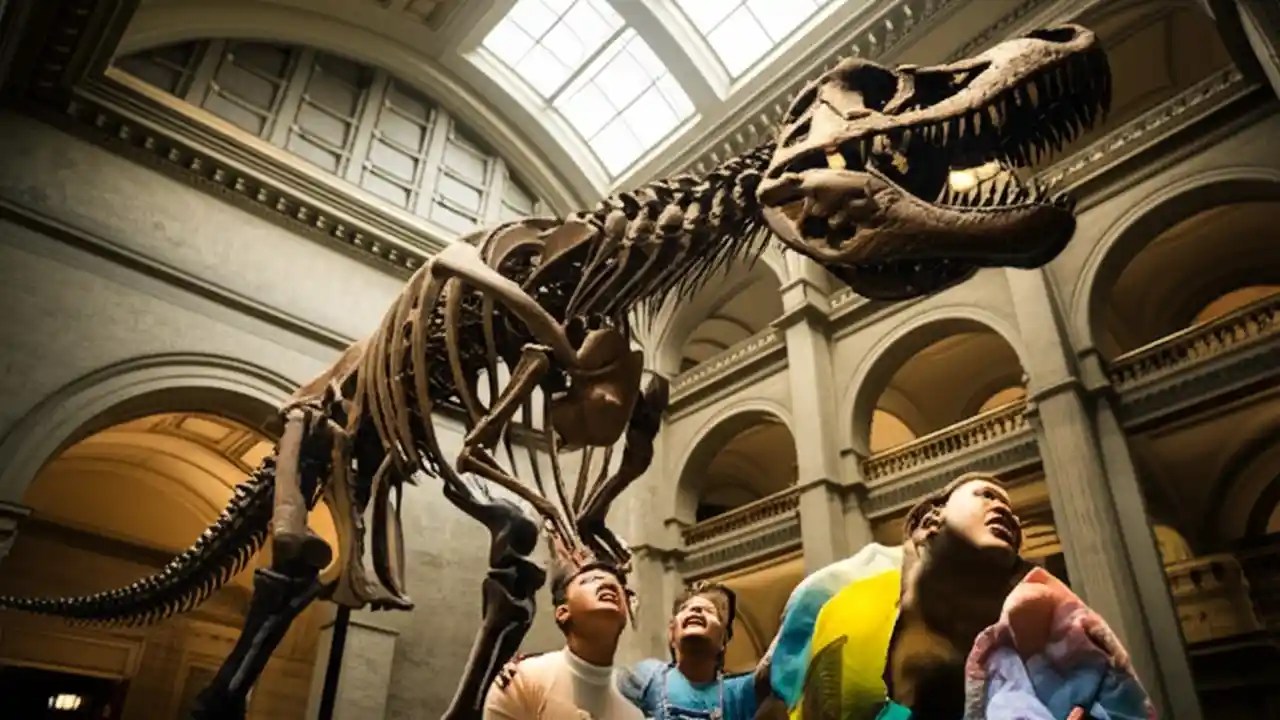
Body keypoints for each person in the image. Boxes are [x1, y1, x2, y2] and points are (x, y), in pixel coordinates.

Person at [763, 471, 1156, 719]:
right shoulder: (840, 602)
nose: (1006, 511)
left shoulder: (1031, 634)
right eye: (986, 496)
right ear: (926, 522)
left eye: (1012, 514)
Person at [483, 558, 643, 719]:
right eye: (591, 580)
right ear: (563, 612)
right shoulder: (524, 681)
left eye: (617, 586)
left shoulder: (633, 714)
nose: (609, 585)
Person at [617, 581, 769, 719]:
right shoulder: (647, 676)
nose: (696, 609)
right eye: (686, 608)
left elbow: (782, 658)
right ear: (671, 633)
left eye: (709, 611)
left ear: (723, 639)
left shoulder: (738, 693)